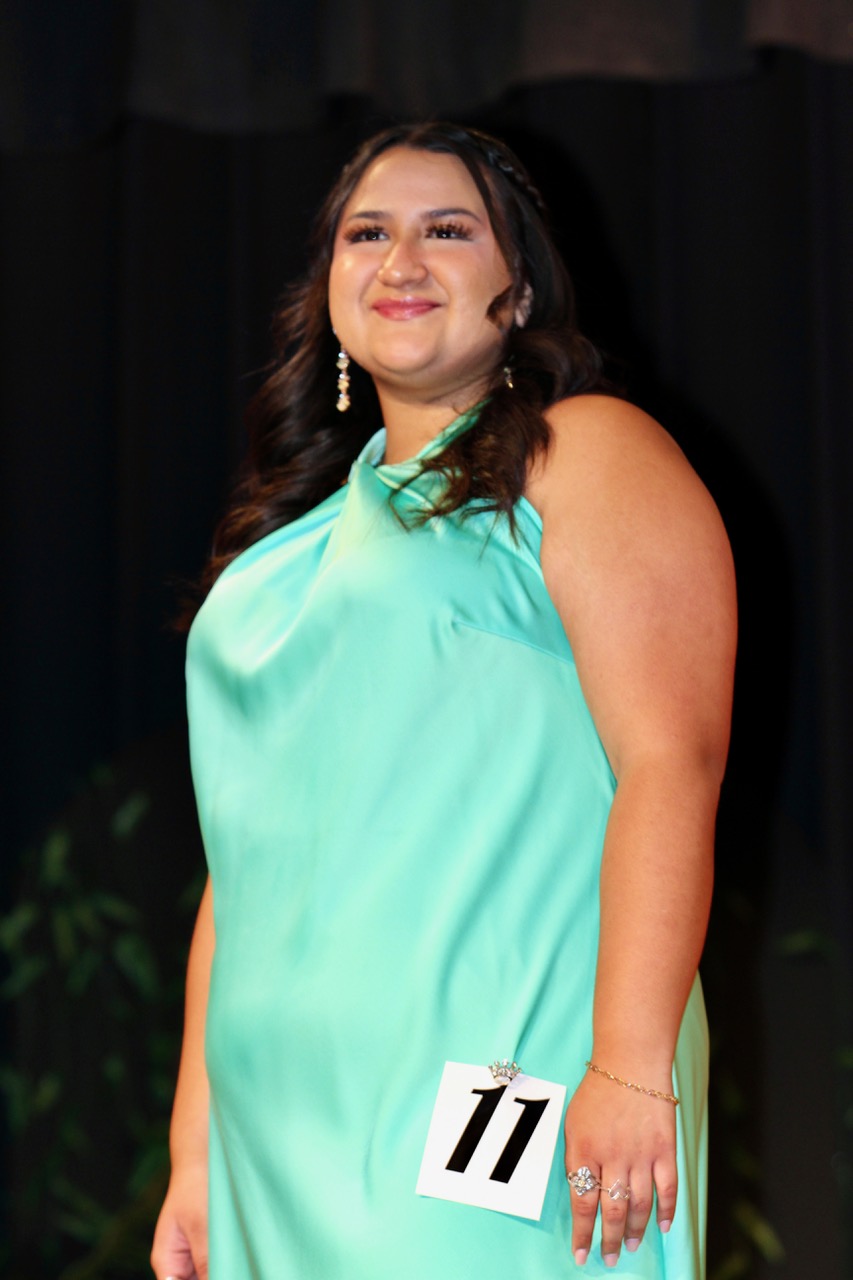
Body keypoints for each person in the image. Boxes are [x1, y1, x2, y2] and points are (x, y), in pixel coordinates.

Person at [151, 121, 735, 1280]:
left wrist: (625, 1062)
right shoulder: (290, 537)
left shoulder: (584, 452)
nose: (399, 260)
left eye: (447, 230)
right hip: (285, 1116)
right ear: (326, 292)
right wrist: (195, 1143)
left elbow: (673, 759)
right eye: (366, 233)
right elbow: (247, 854)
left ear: (515, 287)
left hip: (498, 1073)